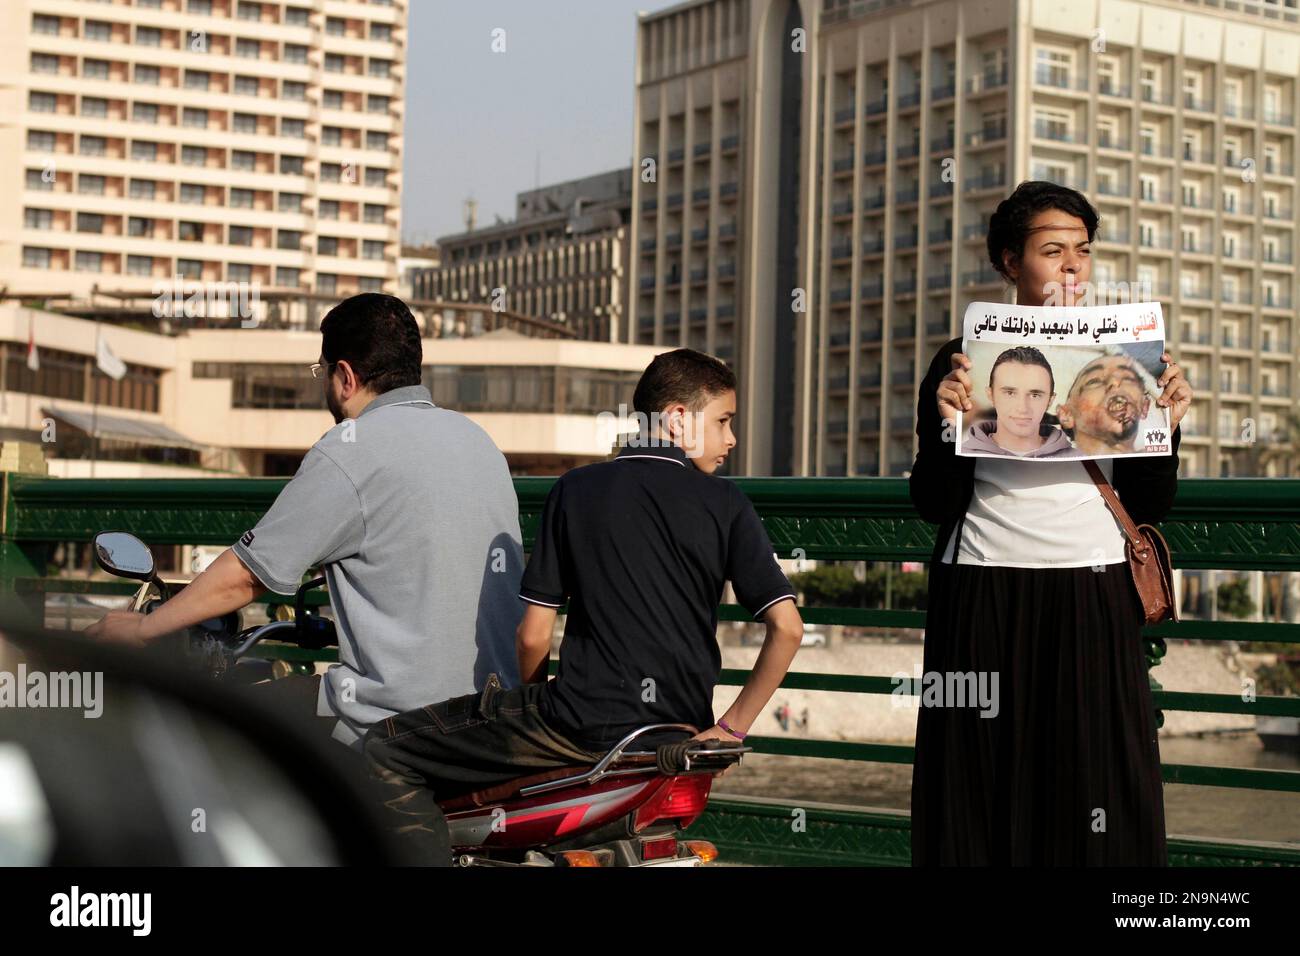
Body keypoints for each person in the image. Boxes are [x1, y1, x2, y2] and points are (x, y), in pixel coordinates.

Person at [86, 293, 525, 754]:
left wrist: (143, 629)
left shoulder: (349, 450)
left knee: (224, 724)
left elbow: (244, 578)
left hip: (395, 719)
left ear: (345, 376)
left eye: (323, 372)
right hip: (490, 713)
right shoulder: (479, 443)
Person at [363, 348, 805, 805]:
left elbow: (533, 638)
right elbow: (788, 628)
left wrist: (528, 709)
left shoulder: (576, 489)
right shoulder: (728, 503)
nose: (731, 438)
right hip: (681, 732)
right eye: (722, 421)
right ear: (676, 419)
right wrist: (730, 730)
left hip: (578, 724)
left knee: (383, 749)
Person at [909, 181, 1193, 865]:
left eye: (1084, 251)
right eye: (1052, 251)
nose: (1072, 267)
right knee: (975, 780)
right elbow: (933, 502)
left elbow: (1149, 504)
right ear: (1010, 263)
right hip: (980, 589)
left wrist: (1168, 429)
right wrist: (948, 427)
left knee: (1099, 780)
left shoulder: (1124, 359)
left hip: (1091, 589)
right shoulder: (962, 362)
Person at [961, 345, 1079, 459]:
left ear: (1050, 400)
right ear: (991, 395)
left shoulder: (1079, 460)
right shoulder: (961, 458)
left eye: (1035, 395)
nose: (1022, 408)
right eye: (1010, 393)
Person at [1057, 349, 1157, 456]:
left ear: (1144, 407)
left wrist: (1173, 430)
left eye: (1128, 378)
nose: (1114, 382)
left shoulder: (1156, 465)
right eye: (1095, 381)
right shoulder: (1053, 469)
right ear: (1066, 414)